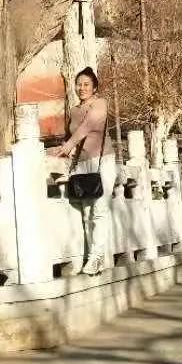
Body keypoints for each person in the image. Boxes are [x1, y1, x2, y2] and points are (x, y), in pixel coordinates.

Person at [48, 67, 116, 276]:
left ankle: (96, 258)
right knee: (87, 213)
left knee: (100, 210)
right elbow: (74, 135)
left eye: (86, 84)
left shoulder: (100, 103)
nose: (82, 87)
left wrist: (68, 145)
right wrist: (63, 151)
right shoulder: (75, 110)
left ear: (94, 87)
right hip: (82, 165)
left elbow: (88, 127)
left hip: (102, 162)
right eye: (79, 84)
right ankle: (91, 256)